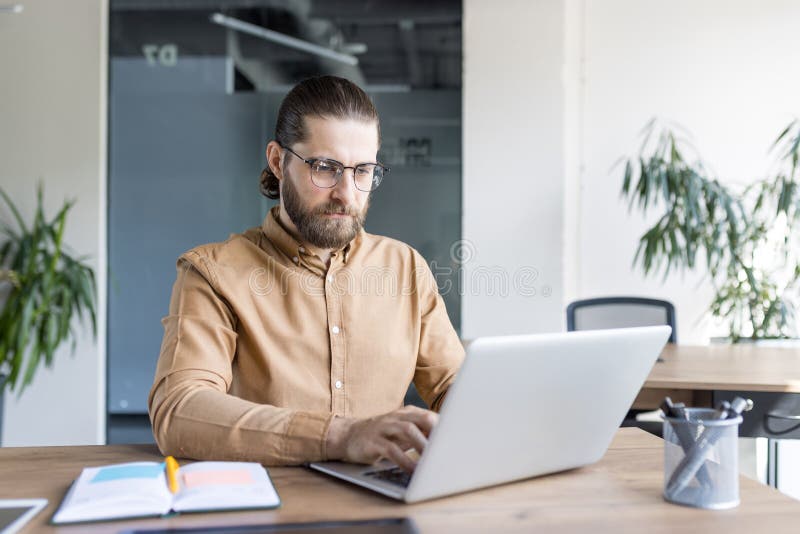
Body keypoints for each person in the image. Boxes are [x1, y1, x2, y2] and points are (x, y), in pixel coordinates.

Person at [148, 75, 464, 472]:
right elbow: (178, 410)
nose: (347, 194)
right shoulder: (212, 274)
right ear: (278, 162)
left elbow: (458, 389)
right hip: (268, 509)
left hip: (383, 504)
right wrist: (340, 437)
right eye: (325, 167)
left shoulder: (406, 268)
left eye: (363, 171)